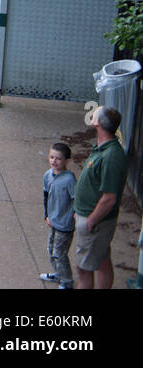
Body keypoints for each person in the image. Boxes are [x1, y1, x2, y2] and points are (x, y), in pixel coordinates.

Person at [72, 106, 126, 289]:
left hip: (95, 221)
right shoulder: (103, 149)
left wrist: (91, 221)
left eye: (95, 113)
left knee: (83, 269)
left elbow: (109, 198)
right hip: (90, 217)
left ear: (98, 123)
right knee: (102, 259)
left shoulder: (111, 156)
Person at [40, 142, 76, 288]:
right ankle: (59, 274)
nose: (54, 161)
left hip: (64, 225)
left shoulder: (69, 180)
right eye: (52, 157)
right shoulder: (48, 175)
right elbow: (45, 195)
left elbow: (76, 200)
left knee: (60, 253)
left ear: (67, 161)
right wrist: (46, 215)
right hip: (53, 221)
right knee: (51, 250)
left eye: (58, 159)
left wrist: (71, 217)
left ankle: (67, 281)